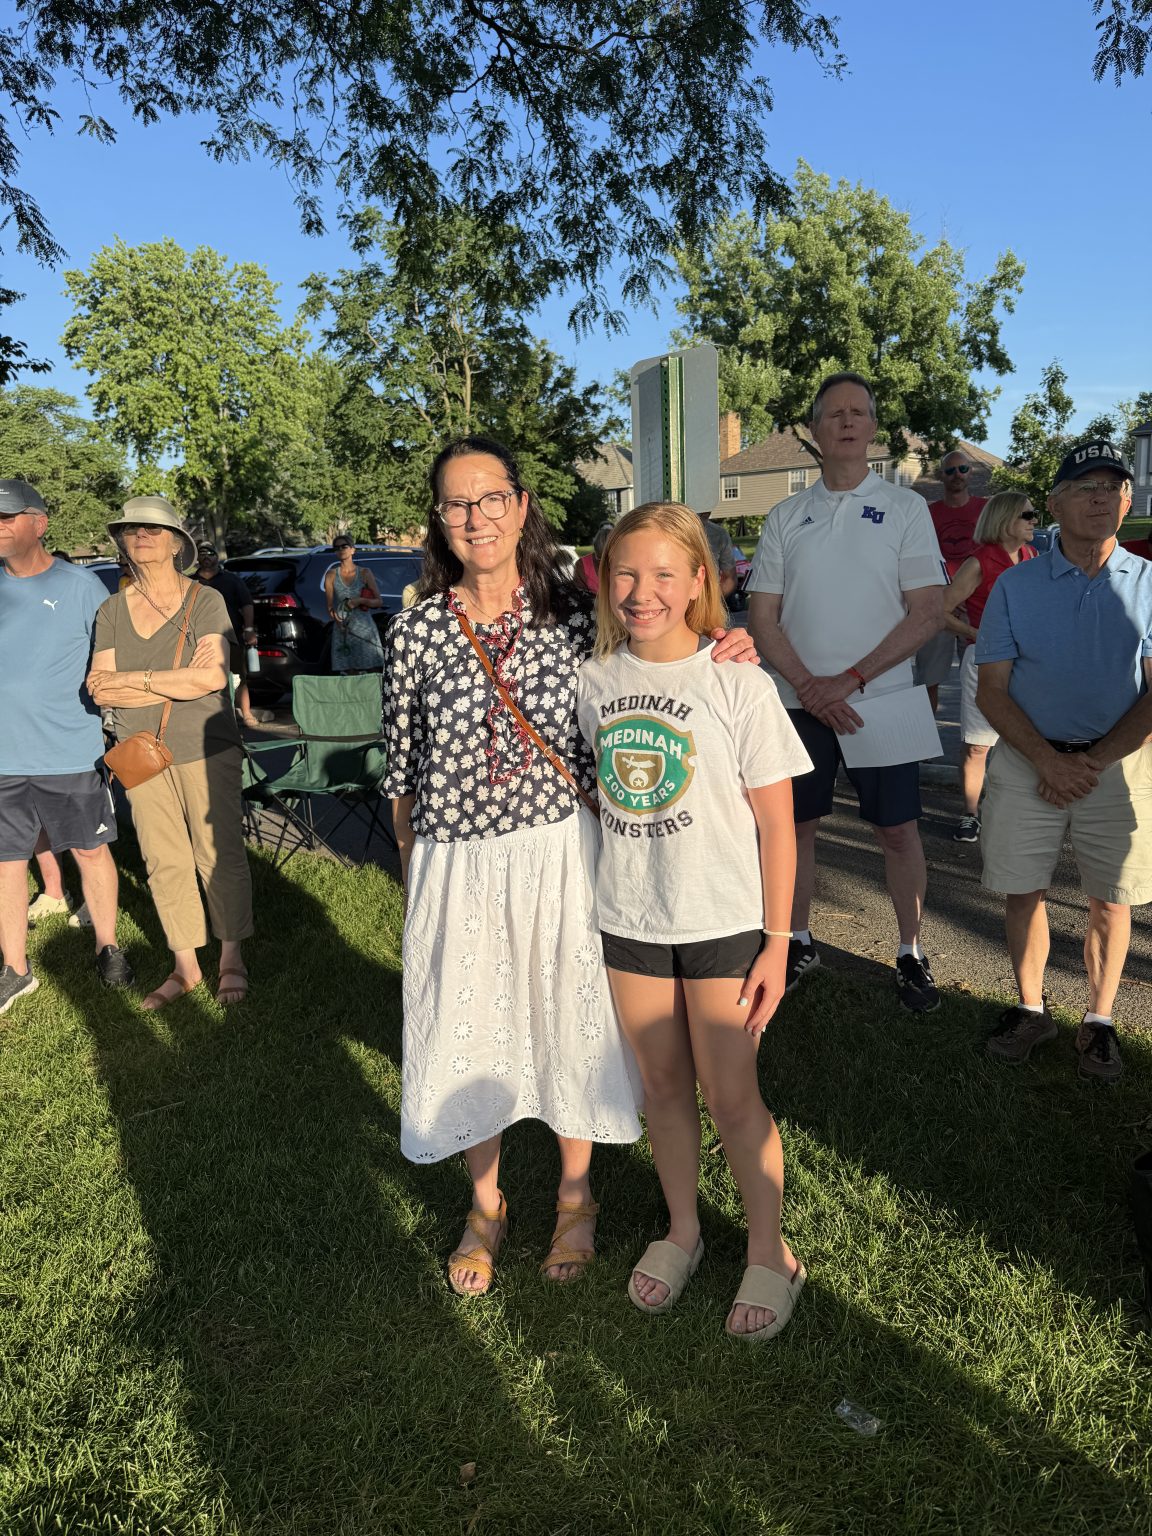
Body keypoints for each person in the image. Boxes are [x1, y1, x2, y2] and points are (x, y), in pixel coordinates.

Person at [381, 434, 756, 1297]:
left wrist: (731, 644)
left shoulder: (573, 610)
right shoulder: (417, 629)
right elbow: (400, 762)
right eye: (455, 504)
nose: (475, 517)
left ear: (520, 504)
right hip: (455, 857)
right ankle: (485, 1203)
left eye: (490, 498)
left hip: (559, 849)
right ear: (439, 521)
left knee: (568, 1017)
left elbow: (669, 653)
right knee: (467, 1022)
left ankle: (576, 1197)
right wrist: (412, 864)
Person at [577, 502, 812, 1340]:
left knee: (731, 1093)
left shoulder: (738, 680)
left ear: (699, 581)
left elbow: (779, 825)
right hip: (630, 917)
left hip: (722, 922)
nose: (642, 591)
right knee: (664, 1088)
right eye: (626, 573)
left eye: (664, 574)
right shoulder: (593, 679)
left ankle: (769, 1249)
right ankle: (683, 1229)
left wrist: (778, 944)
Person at [746, 372, 947, 1011]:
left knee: (898, 832)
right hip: (794, 703)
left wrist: (848, 682)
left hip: (881, 700)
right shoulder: (785, 513)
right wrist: (809, 686)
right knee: (793, 828)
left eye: (859, 412)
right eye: (835, 413)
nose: (848, 421)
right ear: (814, 430)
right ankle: (796, 938)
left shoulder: (907, 508)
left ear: (873, 428)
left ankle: (910, 951)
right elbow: (762, 617)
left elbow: (927, 612)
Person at [975, 440, 1152, 1080]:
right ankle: (1031, 1007)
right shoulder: (1015, 586)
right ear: (1055, 504)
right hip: (1029, 762)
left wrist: (1093, 760)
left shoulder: (1151, 584)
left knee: (1112, 898)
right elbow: (991, 688)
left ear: (1128, 501)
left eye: (1112, 486)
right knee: (1023, 890)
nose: (1100, 497)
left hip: (1120, 764)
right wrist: (1048, 761)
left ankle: (1099, 1021)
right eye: (1084, 486)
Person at [88, 496, 254, 1009]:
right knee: (163, 858)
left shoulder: (205, 601)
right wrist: (168, 684)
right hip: (139, 752)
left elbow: (210, 679)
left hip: (205, 745)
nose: (142, 534)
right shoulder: (112, 608)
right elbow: (99, 687)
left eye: (154, 529)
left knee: (217, 853)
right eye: (132, 528)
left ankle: (231, 959)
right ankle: (185, 966)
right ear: (121, 540)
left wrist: (132, 681)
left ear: (177, 542)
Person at [0, 479, 133, 1014]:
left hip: (70, 754)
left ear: (40, 522)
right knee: (7, 864)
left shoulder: (81, 587)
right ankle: (14, 967)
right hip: (5, 758)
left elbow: (112, 664)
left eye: (8, 517)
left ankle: (108, 945)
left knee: (90, 850)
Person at [941, 492, 1038, 842]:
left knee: (1024, 739)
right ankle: (971, 814)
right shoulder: (979, 561)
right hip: (983, 660)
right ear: (1005, 519)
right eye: (1027, 514)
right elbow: (940, 610)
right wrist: (973, 632)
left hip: (1026, 662)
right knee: (978, 744)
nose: (1034, 521)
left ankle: (1018, 811)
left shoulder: (1032, 556)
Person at [914, 447, 987, 713]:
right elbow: (920, 558)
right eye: (950, 470)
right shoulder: (927, 514)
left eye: (963, 469)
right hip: (938, 603)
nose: (957, 475)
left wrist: (969, 594)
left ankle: (976, 744)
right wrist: (945, 594)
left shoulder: (986, 509)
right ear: (941, 476)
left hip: (976, 604)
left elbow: (994, 552)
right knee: (929, 679)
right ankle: (925, 743)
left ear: (971, 473)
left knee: (985, 678)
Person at [195, 542, 272, 728]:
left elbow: (246, 604)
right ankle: (207, 718)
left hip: (231, 636)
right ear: (197, 558)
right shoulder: (191, 582)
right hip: (200, 639)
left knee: (239, 675)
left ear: (217, 557)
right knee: (201, 676)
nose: (206, 557)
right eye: (202, 553)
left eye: (210, 553)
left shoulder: (231, 580)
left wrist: (249, 629)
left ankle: (246, 714)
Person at [325, 536, 385, 673]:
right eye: (337, 547)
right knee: (347, 672)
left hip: (364, 628)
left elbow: (379, 601)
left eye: (344, 546)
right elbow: (329, 607)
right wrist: (336, 618)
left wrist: (360, 600)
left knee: (370, 671)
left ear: (352, 550)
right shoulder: (331, 575)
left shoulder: (364, 573)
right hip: (343, 630)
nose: (340, 550)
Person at [571, 522, 615, 595]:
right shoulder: (581, 564)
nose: (604, 564)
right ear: (596, 550)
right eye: (600, 559)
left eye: (610, 559)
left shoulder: (626, 562)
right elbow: (578, 595)